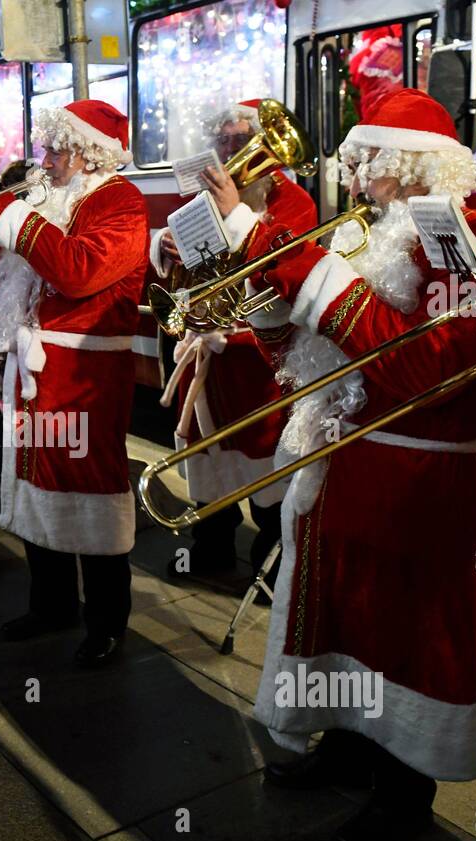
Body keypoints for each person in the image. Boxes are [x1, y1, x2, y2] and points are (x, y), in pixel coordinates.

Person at [241, 89, 476, 841]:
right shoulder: (368, 236)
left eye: (368, 163)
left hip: (420, 478)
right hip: (346, 459)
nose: (357, 180)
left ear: (405, 161)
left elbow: (426, 368)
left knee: (407, 634)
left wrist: (317, 281)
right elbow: (315, 359)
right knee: (342, 615)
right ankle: (347, 745)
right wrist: (273, 312)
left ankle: (405, 791)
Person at [0, 100, 147, 666]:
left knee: (90, 490)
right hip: (36, 369)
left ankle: (108, 620)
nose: (43, 160)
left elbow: (78, 270)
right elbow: (2, 280)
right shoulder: (51, 199)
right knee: (36, 482)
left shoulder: (121, 201)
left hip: (86, 371)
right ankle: (53, 603)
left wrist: (14, 220)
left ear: (89, 152)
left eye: (53, 148)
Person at [150, 99, 318, 587]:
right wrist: (163, 242)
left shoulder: (293, 200)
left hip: (256, 357)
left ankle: (271, 563)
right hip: (207, 351)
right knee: (206, 459)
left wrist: (235, 214)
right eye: (223, 141)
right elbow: (181, 246)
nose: (231, 151)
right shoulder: (202, 189)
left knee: (264, 456)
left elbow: (287, 266)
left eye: (242, 141)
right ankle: (212, 546)